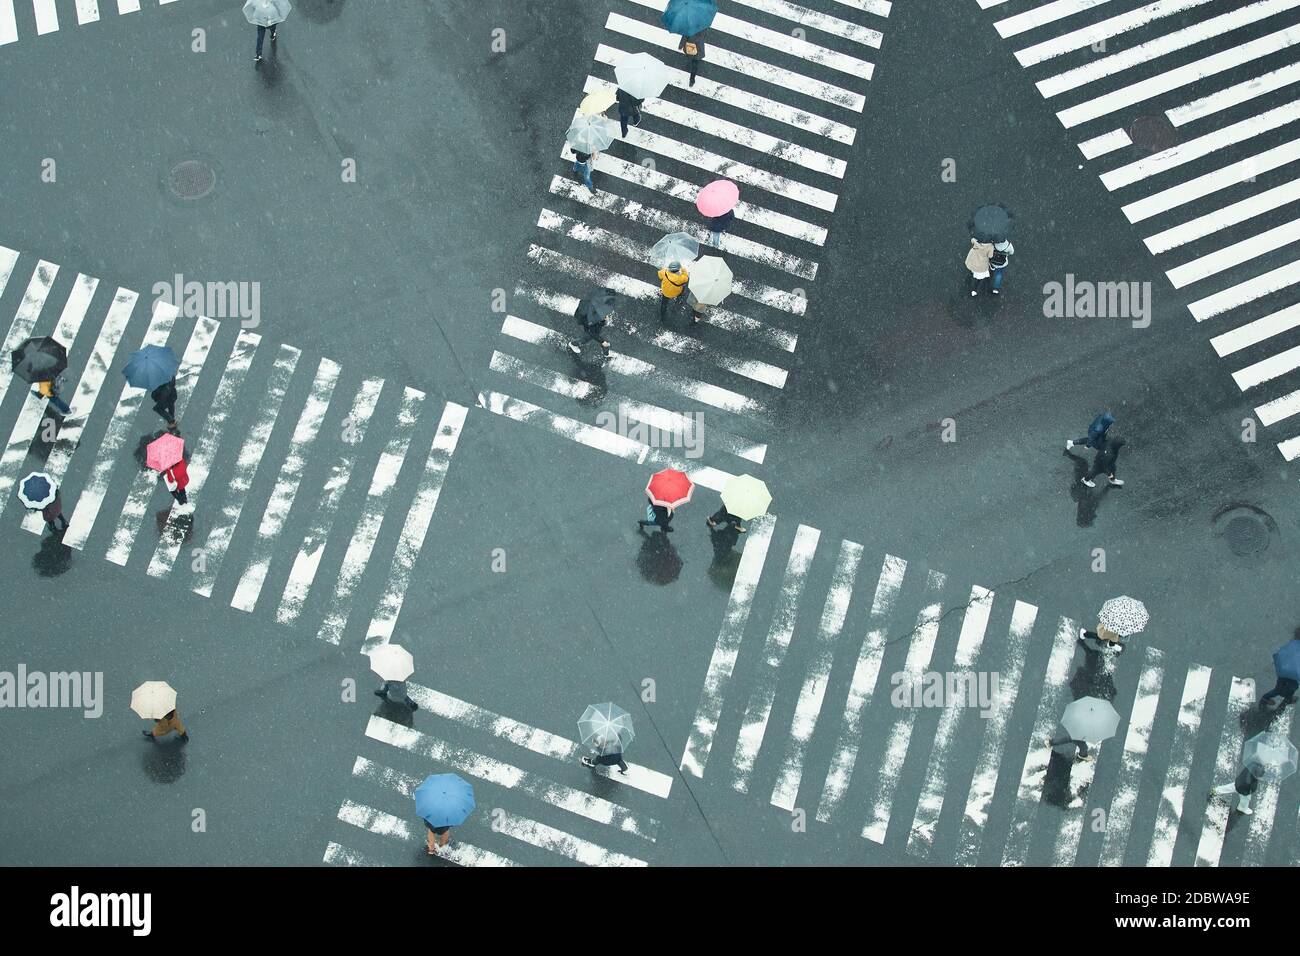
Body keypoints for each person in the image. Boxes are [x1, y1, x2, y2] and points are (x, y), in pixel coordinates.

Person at [1260, 628, 1300, 713]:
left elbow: (1278, 655)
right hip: (1288, 678)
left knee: (1281, 691)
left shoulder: (1290, 646)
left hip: (1286, 677)